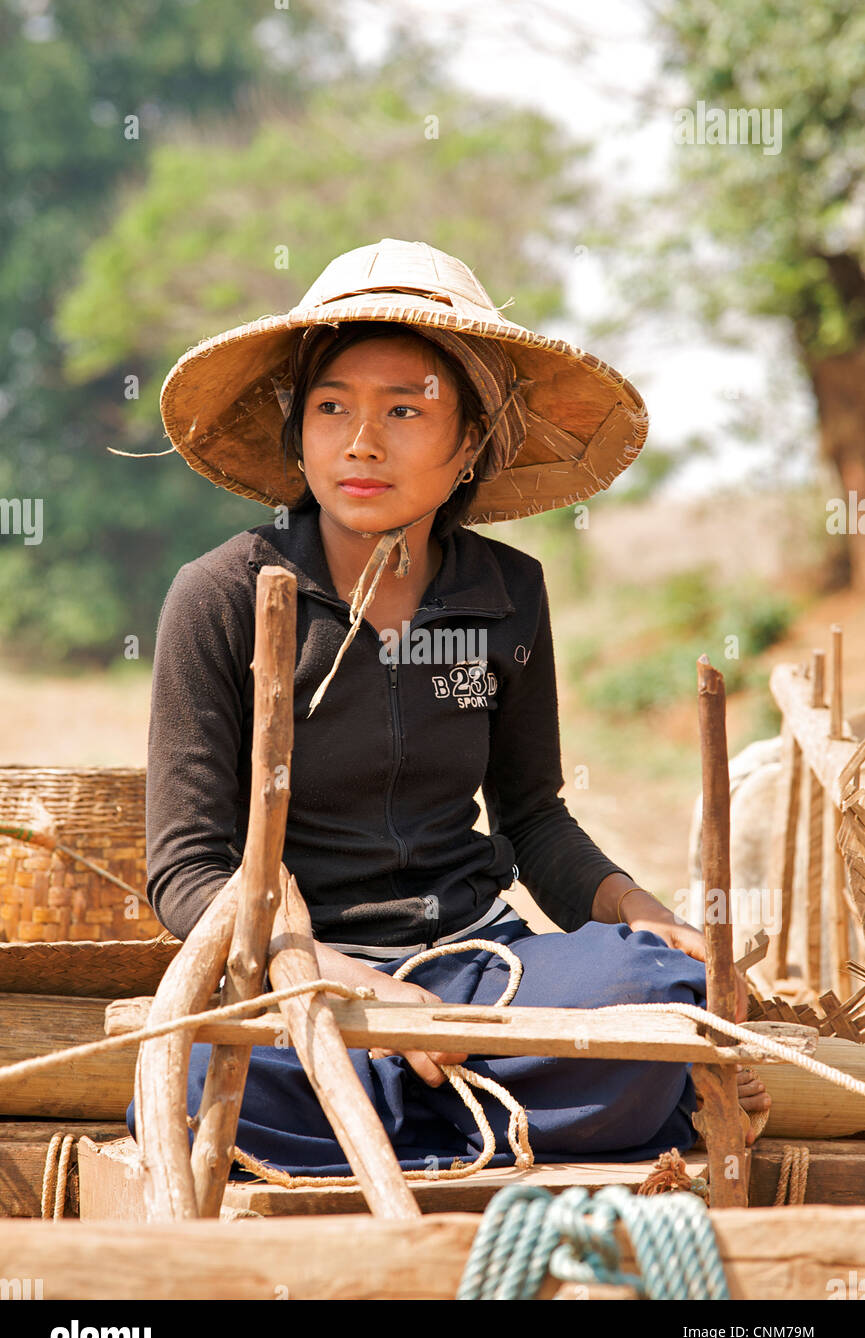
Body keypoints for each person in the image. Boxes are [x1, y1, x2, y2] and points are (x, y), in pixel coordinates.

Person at [129, 238, 769, 1175]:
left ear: (467, 442)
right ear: (297, 429)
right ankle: (522, 1111)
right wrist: (350, 992)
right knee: (187, 1079)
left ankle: (413, 1113)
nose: (360, 441)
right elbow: (186, 871)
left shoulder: (506, 593)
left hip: (477, 971)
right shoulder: (224, 593)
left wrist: (640, 908)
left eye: (404, 409)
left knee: (655, 984)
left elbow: (534, 818)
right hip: (295, 977)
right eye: (332, 407)